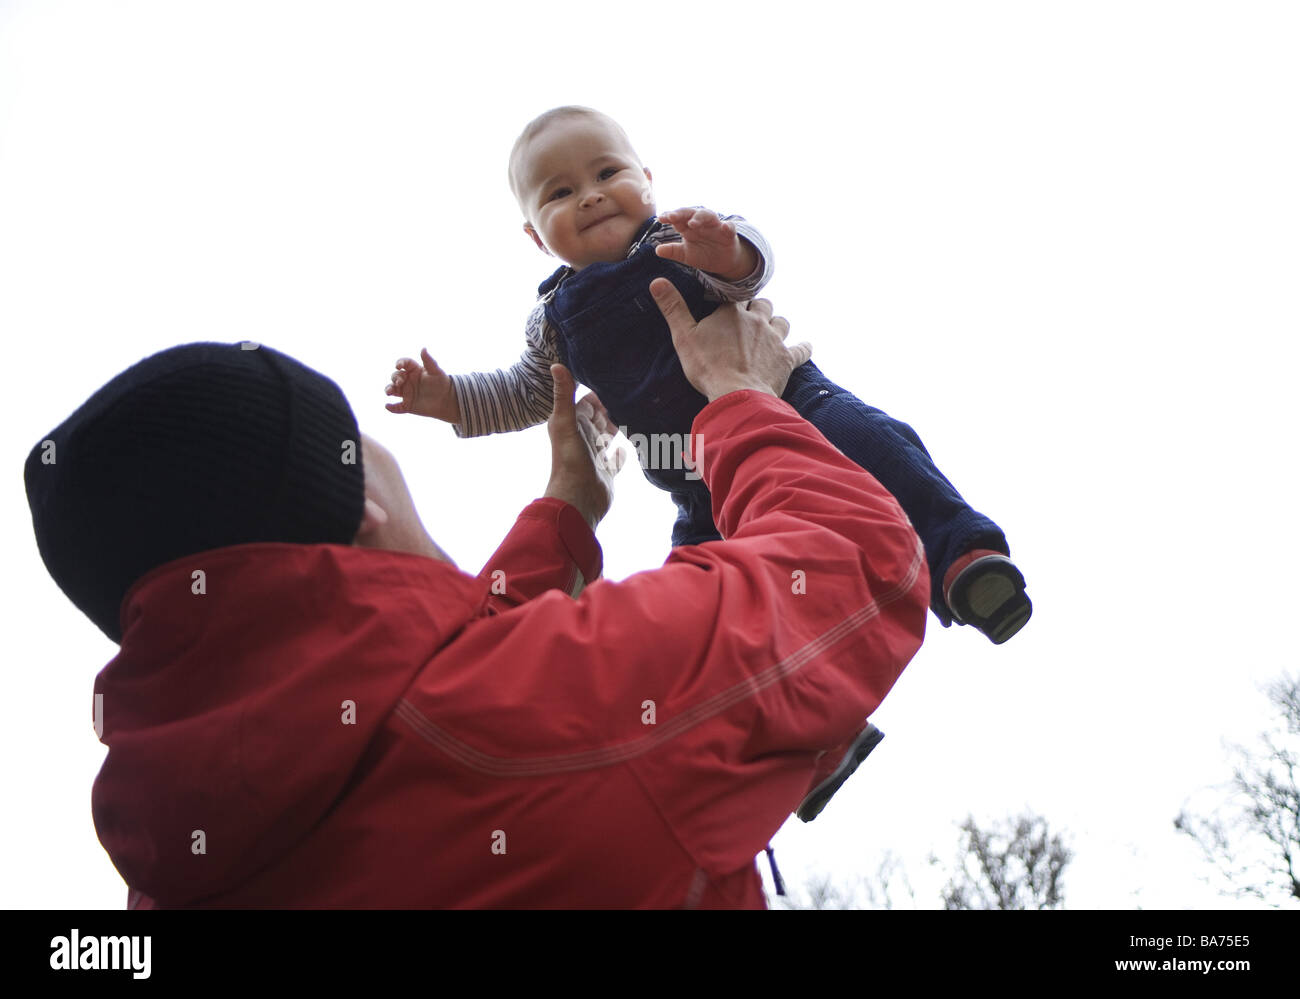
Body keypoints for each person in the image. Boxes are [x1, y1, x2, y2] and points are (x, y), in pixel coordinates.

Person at [24, 287, 929, 908]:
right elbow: (855, 563)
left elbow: (430, 714)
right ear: (362, 497)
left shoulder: (173, 860)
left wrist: (567, 511)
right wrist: (738, 395)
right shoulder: (551, 713)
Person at [384, 105, 1032, 645]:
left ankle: (962, 557)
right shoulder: (552, 320)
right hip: (697, 485)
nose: (589, 195)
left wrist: (730, 251)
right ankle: (796, 725)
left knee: (881, 449)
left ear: (647, 179)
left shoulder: (678, 238)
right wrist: (449, 400)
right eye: (559, 192)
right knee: (698, 603)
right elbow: (526, 394)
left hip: (790, 406)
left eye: (607, 172)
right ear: (535, 236)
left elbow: (749, 268)